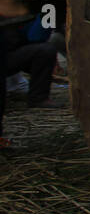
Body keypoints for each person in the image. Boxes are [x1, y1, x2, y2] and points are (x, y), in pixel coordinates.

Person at [0, 16, 61, 151]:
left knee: (45, 50)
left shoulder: (36, 10)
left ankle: (38, 98)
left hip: (10, 55)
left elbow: (35, 37)